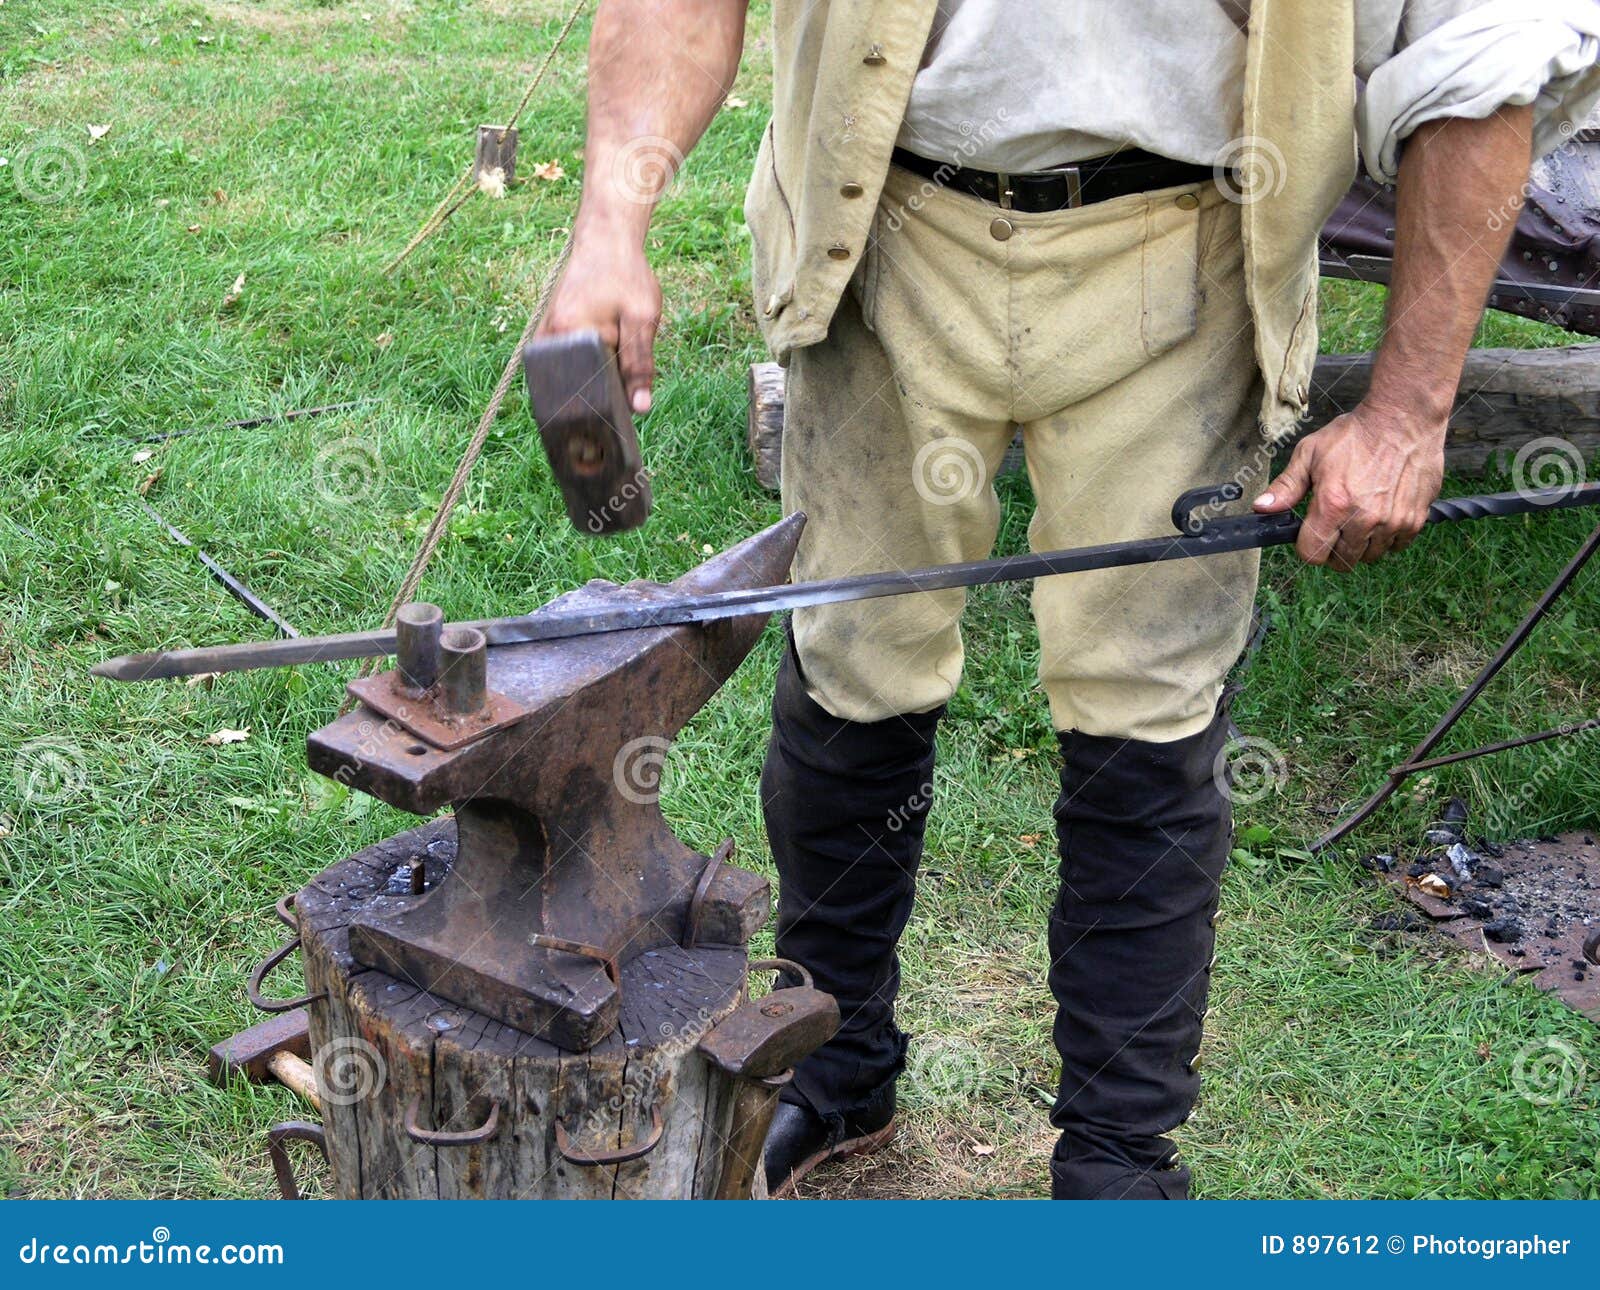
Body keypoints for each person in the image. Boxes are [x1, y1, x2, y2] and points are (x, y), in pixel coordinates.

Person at [538, 1, 1600, 1198]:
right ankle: (832, 1070)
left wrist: (1409, 409)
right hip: (877, 225)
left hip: (1187, 245)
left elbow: (1480, 55)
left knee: (1144, 712)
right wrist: (610, 219)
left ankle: (1115, 1158)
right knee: (854, 662)